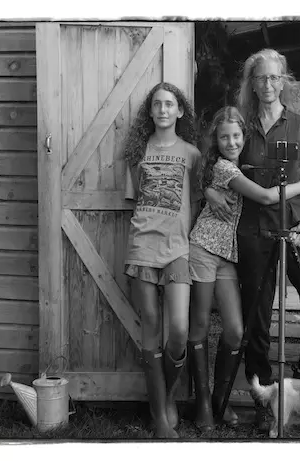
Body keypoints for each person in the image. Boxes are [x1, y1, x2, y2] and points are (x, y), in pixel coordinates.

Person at [204, 49, 300, 432]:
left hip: (297, 229)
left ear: (284, 81)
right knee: (256, 320)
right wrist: (210, 190)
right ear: (251, 83)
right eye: (260, 78)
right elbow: (212, 161)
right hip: (253, 232)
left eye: (274, 78)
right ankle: (265, 400)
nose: (267, 85)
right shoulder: (239, 127)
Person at [187, 106, 300, 432]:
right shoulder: (227, 168)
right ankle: (203, 406)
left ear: (245, 137)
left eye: (236, 135)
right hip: (203, 248)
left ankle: (219, 402)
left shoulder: (235, 166)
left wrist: (208, 191)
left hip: (227, 254)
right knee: (199, 325)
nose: (231, 141)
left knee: (235, 331)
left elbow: (205, 181)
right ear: (216, 139)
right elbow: (270, 197)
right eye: (224, 136)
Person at [122, 82, 202, 439]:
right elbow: (133, 201)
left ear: (180, 111)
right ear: (150, 112)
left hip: (178, 249)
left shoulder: (192, 154)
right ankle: (159, 417)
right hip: (142, 248)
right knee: (150, 329)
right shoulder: (138, 150)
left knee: (179, 331)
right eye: (157, 104)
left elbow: (197, 202)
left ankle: (168, 396)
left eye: (170, 104)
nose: (164, 110)